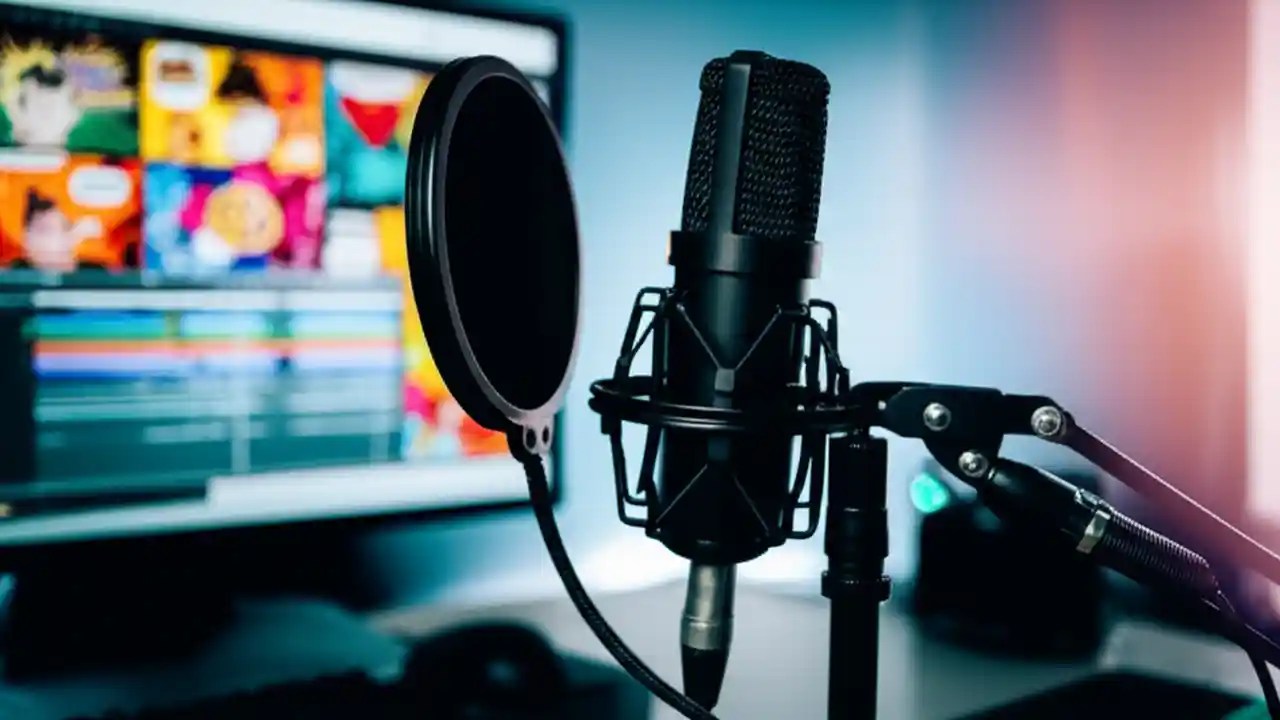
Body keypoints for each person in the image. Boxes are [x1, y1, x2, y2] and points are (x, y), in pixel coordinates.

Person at [6, 64, 82, 147]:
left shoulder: (28, 91)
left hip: (35, 143)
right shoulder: (65, 102)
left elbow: (13, 106)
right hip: (46, 144)